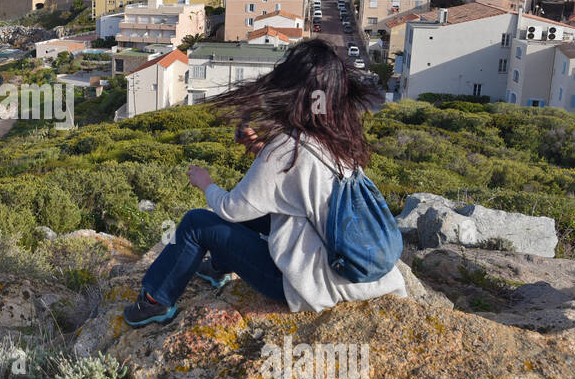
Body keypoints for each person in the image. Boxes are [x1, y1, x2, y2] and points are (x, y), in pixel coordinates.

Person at [123, 38, 406, 326]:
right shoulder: (339, 140)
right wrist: (261, 150)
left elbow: (232, 209)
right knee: (257, 213)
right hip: (348, 269)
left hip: (308, 282)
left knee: (197, 223)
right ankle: (216, 267)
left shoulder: (287, 148)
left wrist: (205, 183)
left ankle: (155, 301)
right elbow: (300, 184)